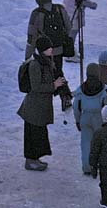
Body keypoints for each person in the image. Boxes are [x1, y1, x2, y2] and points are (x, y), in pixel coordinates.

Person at [18, 35, 66, 171]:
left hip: (40, 106)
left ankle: (35, 159)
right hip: (34, 107)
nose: (51, 50)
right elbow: (36, 86)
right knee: (33, 135)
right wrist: (54, 85)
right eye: (48, 48)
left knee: (38, 133)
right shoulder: (35, 64)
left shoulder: (45, 61)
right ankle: (31, 160)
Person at [25, 0, 75, 80]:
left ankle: (49, 93)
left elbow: (31, 37)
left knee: (45, 78)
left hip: (43, 53)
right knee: (58, 74)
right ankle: (65, 94)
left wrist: (27, 57)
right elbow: (69, 27)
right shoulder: (60, 9)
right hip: (59, 50)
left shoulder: (36, 14)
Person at [73, 63, 107, 175]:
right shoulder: (104, 88)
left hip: (85, 117)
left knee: (86, 144)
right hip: (99, 118)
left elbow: (76, 107)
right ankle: (101, 165)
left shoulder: (81, 89)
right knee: (101, 143)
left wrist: (77, 120)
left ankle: (87, 167)